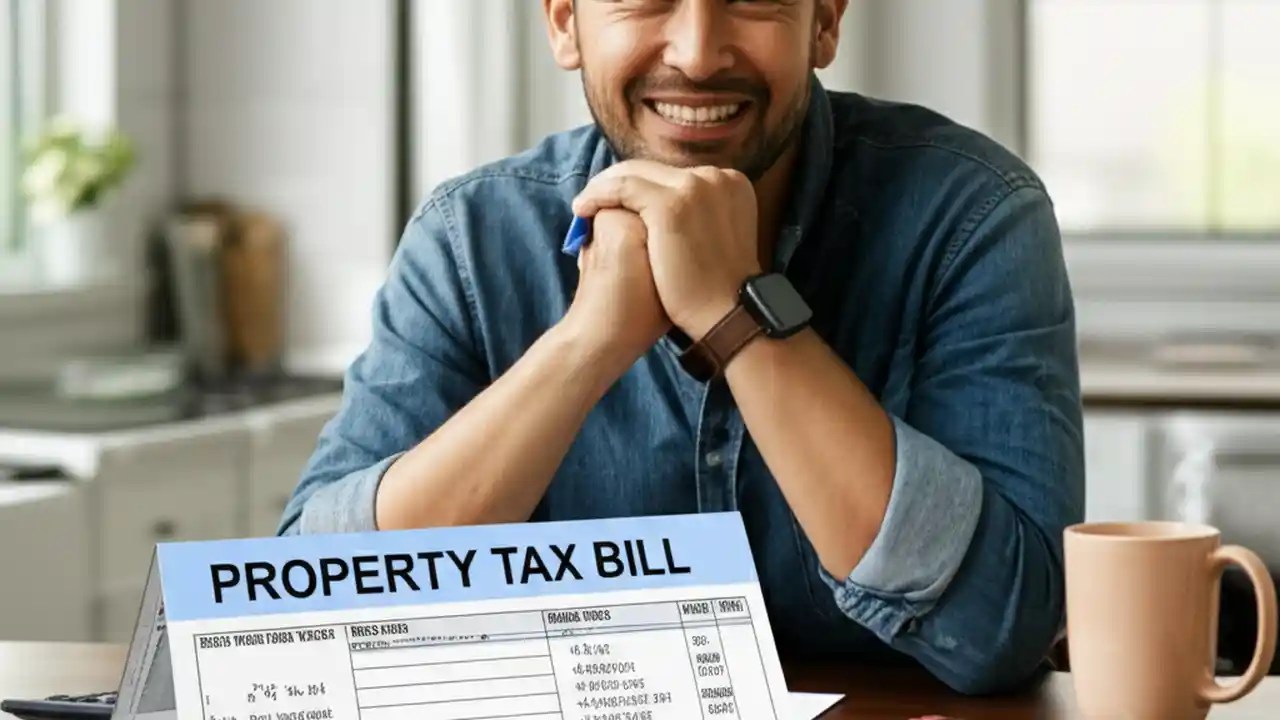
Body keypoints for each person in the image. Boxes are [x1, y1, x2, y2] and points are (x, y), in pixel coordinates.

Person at [279, 0, 1084, 695]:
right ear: (566, 23)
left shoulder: (971, 217)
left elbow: (1002, 627)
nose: (698, 52)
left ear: (825, 22)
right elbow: (302, 613)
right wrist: (590, 339)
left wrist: (734, 314)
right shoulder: (470, 239)